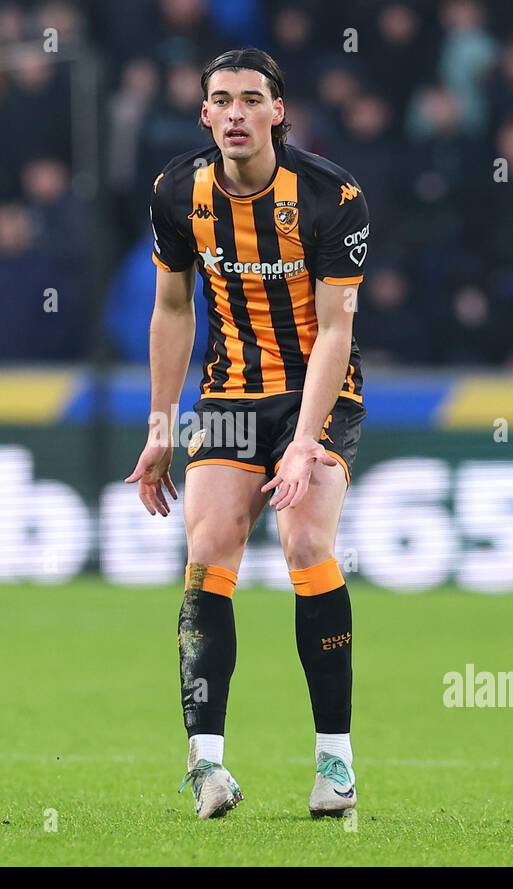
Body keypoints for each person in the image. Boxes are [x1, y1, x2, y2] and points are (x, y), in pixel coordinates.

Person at [124, 48, 368, 819]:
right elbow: (171, 309)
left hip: (317, 390)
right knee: (210, 547)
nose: (235, 112)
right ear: (204, 114)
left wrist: (303, 442)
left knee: (304, 543)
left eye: (250, 99)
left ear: (277, 111)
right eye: (220, 99)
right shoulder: (176, 191)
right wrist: (161, 427)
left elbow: (335, 330)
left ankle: (335, 762)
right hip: (229, 390)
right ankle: (207, 768)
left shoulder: (333, 196)